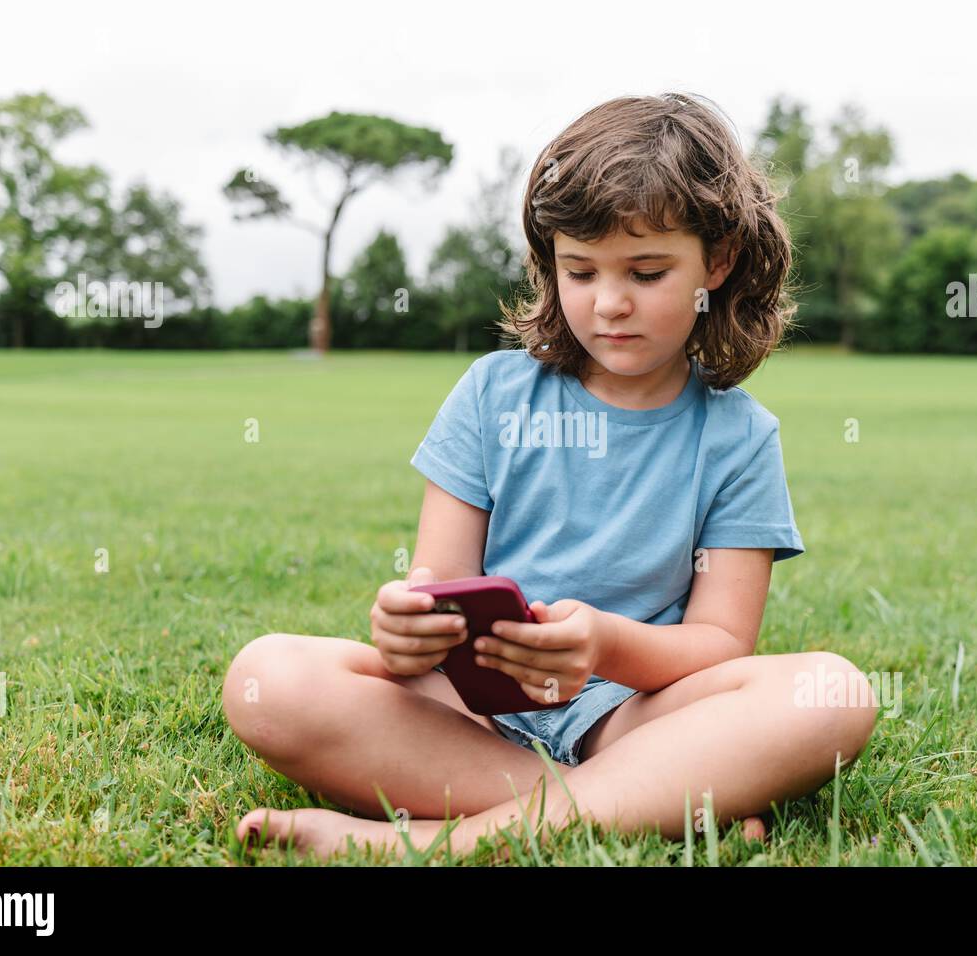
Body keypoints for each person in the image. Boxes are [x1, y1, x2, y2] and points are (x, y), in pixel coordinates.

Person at [222, 91, 878, 862]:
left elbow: (720, 645)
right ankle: (654, 798)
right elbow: (439, 595)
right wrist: (404, 635)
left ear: (720, 261)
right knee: (267, 678)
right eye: (580, 270)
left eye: (646, 271)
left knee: (831, 695)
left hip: (633, 710)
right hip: (468, 710)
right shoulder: (491, 394)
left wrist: (601, 646)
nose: (609, 304)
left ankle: (449, 842)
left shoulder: (739, 437)